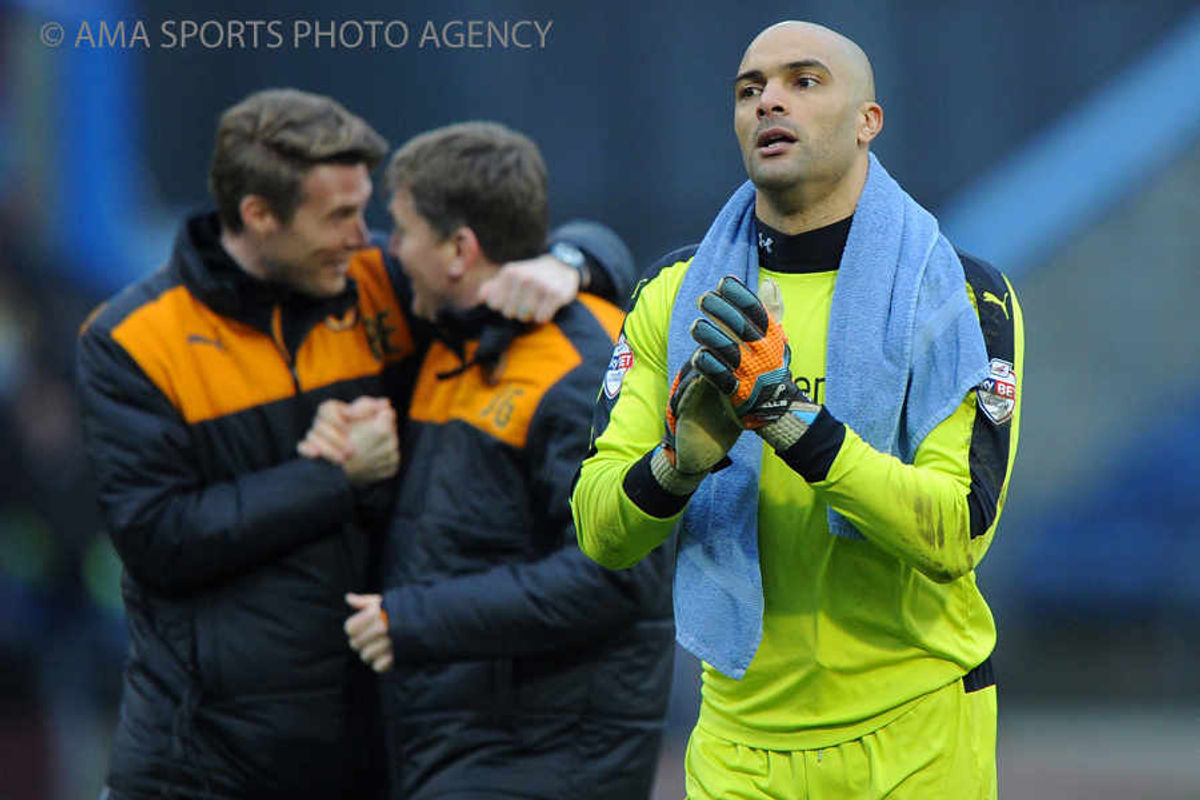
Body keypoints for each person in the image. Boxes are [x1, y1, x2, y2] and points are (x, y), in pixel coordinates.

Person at [77, 89, 636, 799]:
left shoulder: (383, 280)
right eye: (338, 216)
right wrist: (331, 477)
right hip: (198, 760)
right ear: (258, 214)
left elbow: (494, 250)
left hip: (368, 747)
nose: (360, 236)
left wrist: (574, 258)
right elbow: (157, 538)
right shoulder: (132, 341)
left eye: (366, 210)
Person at [571, 20, 1023, 800]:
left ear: (867, 122)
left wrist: (784, 417)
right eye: (750, 90)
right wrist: (679, 465)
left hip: (917, 731)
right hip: (738, 742)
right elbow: (600, 532)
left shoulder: (958, 294)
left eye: (803, 82)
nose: (768, 101)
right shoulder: (675, 295)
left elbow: (957, 532)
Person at [330, 122, 675, 800]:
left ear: (459, 248)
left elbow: (614, 574)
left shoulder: (578, 369)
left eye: (400, 232)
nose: (390, 252)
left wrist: (417, 620)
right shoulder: (450, 340)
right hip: (463, 740)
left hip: (546, 757)